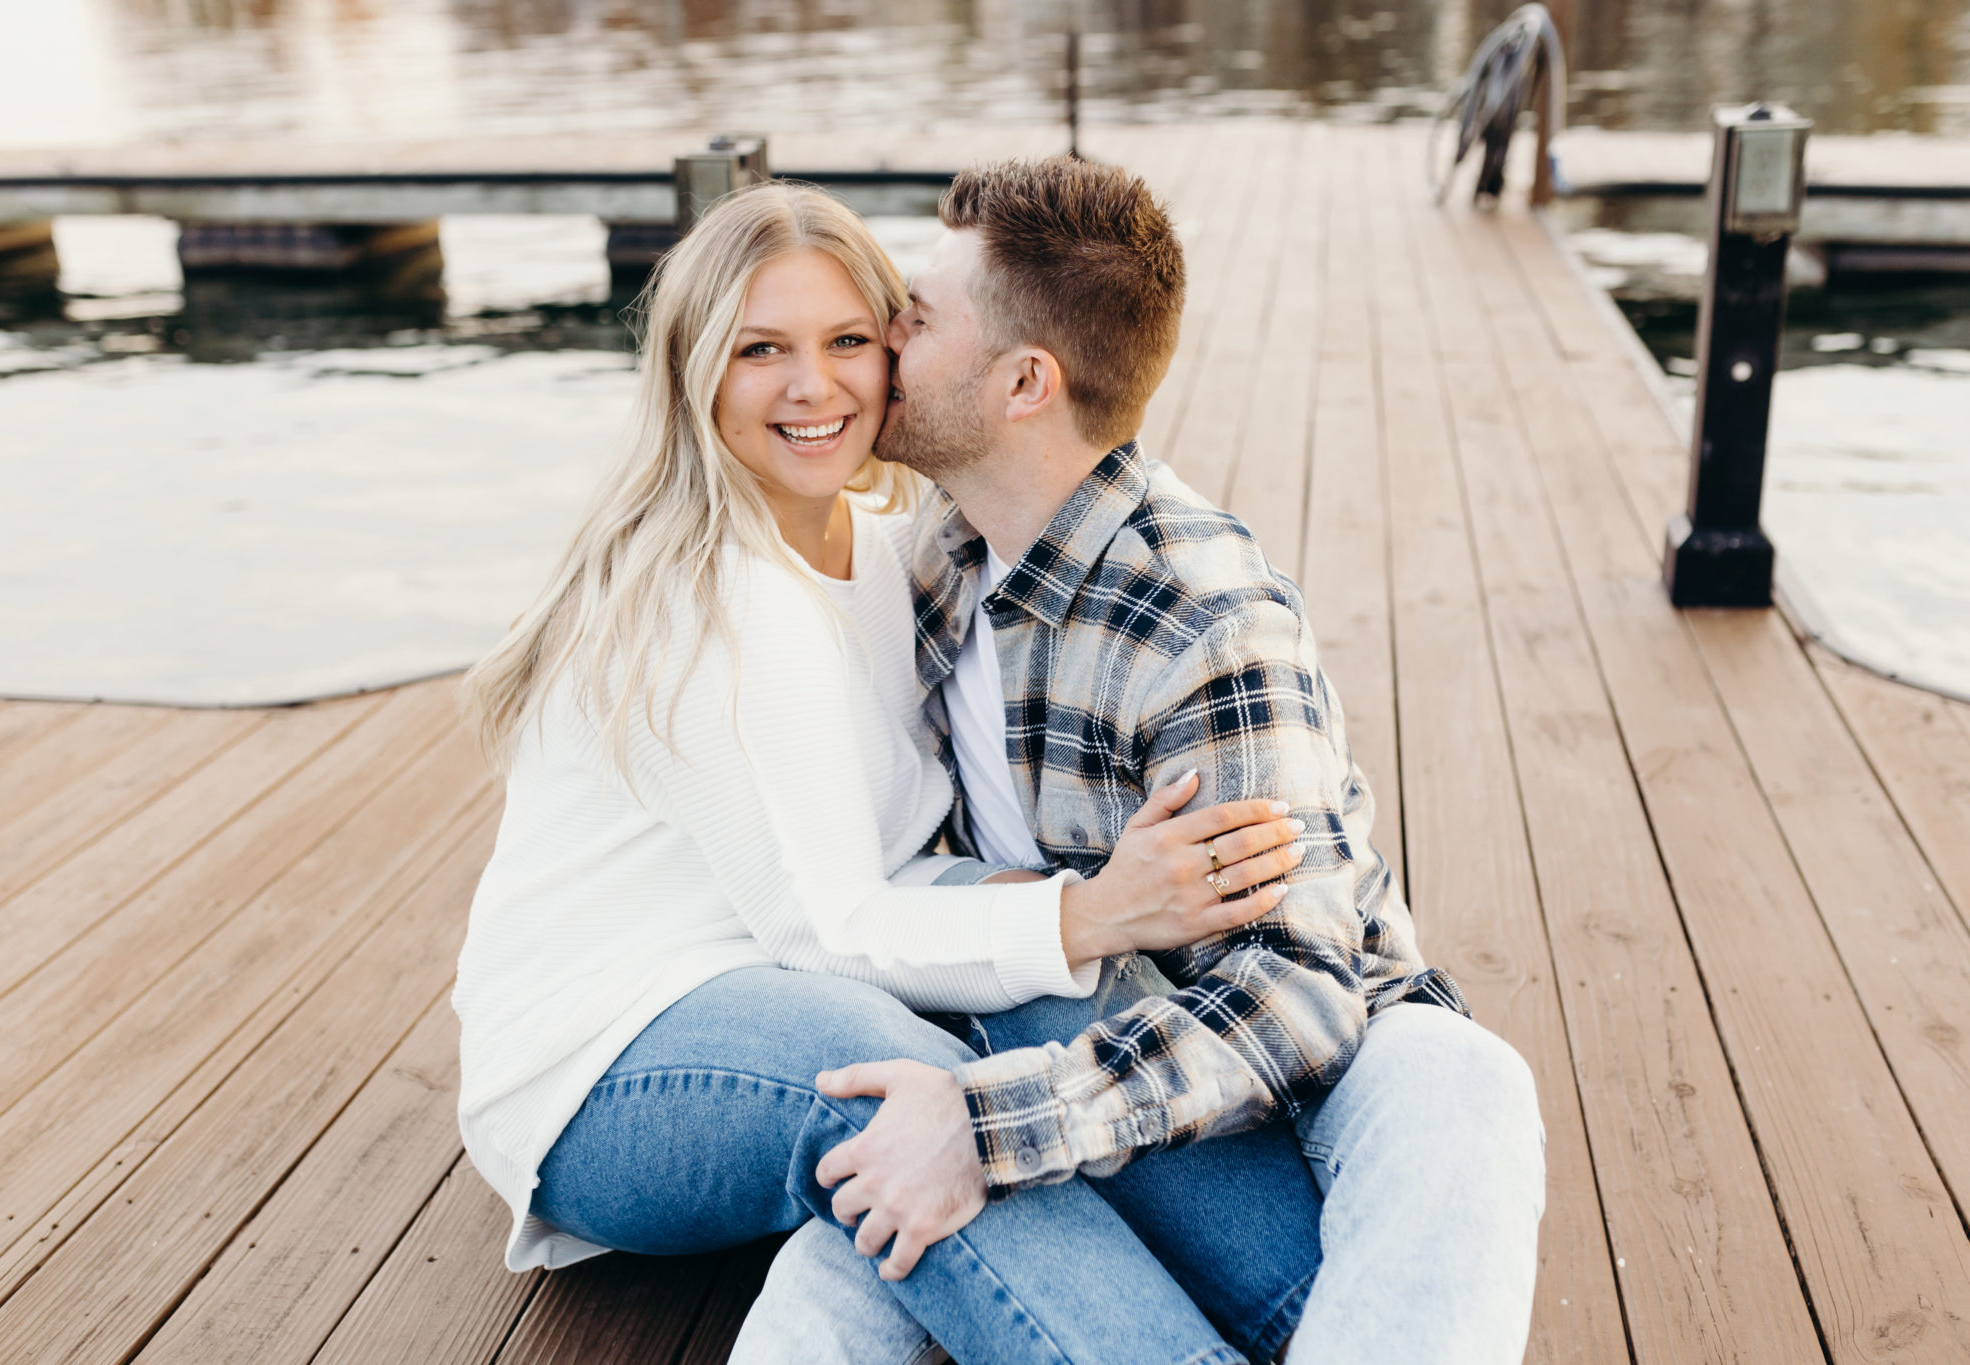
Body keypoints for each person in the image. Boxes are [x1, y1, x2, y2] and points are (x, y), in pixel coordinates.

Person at [450, 180, 1325, 1365]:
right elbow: (823, 932)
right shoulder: (711, 597)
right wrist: (1086, 911)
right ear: (695, 371)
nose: (813, 386)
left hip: (804, 960)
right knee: (908, 1097)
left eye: (849, 341)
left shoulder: (892, 553)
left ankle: (1329, 1315)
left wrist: (1062, 924)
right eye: (760, 350)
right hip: (605, 1060)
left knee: (1056, 1000)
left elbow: (889, 870)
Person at [760, 156, 1548, 1365]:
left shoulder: (1203, 623)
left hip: (1286, 1110)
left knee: (1460, 1075)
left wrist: (993, 1126)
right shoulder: (928, 563)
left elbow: (1296, 998)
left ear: (1024, 382)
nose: (882, 340)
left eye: (912, 319)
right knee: (869, 1197)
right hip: (1081, 1065)